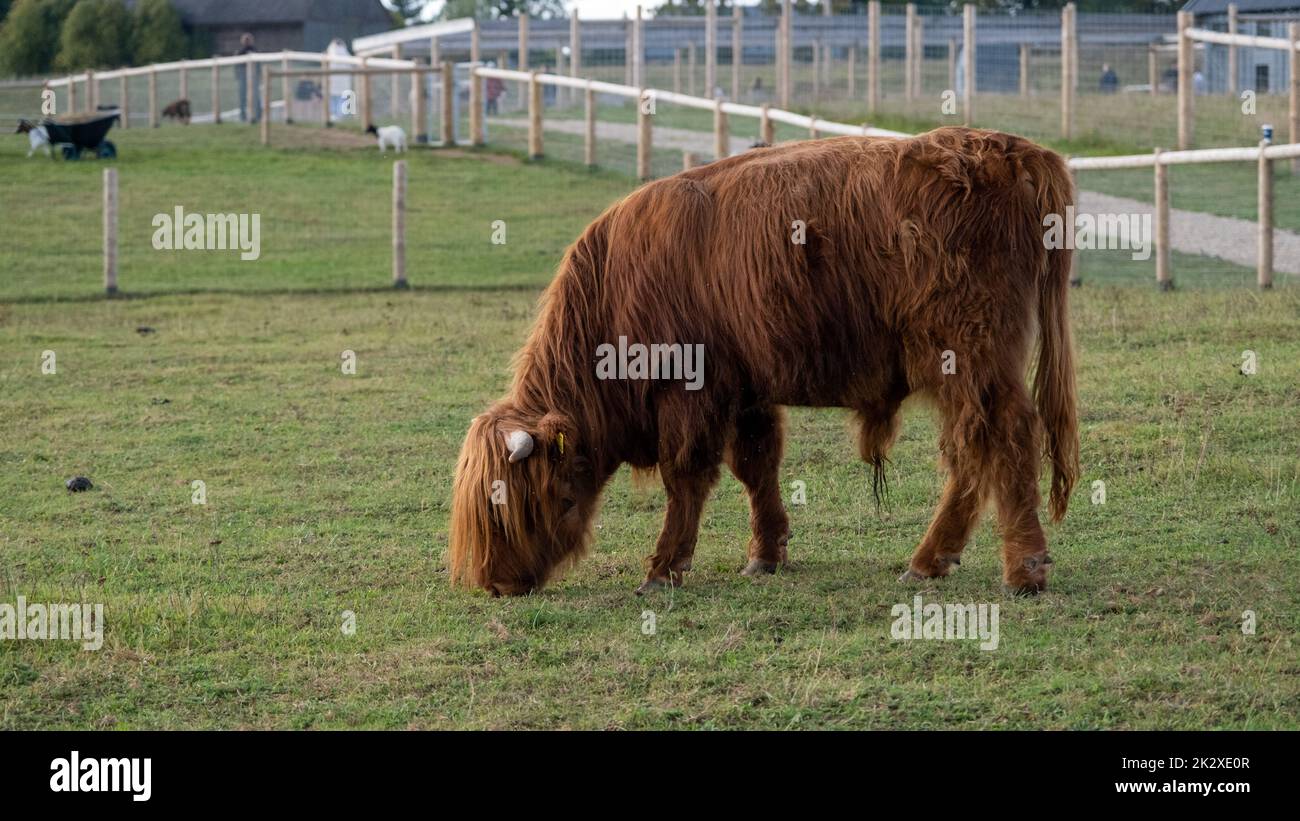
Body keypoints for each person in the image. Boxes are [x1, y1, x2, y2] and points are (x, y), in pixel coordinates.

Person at [235, 32, 260, 123]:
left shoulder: (255, 50)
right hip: (243, 79)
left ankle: (258, 116)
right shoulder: (240, 52)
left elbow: (258, 65)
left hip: (254, 79)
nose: (247, 42)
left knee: (256, 98)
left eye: (248, 40)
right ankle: (243, 117)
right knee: (242, 98)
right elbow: (237, 65)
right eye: (245, 40)